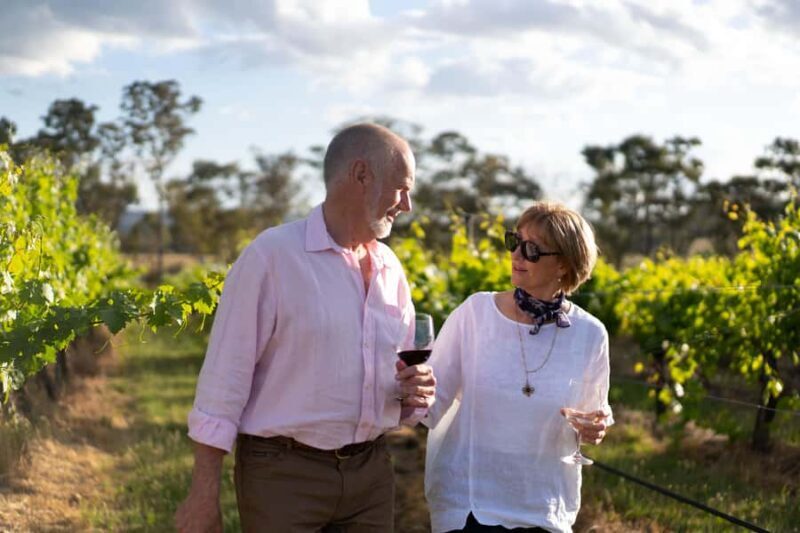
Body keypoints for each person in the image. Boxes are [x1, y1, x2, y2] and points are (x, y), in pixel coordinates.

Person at [174, 123, 436, 533]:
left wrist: (411, 390)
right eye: (402, 188)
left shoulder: (391, 268)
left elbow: (395, 377)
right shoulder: (272, 256)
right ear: (361, 174)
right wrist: (203, 493)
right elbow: (222, 383)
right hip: (283, 476)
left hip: (370, 475)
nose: (406, 204)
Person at [423, 201, 612, 533]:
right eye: (515, 242)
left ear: (565, 265)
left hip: (543, 509)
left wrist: (594, 428)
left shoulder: (590, 334)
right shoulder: (475, 314)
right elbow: (430, 401)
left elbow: (590, 418)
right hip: (470, 506)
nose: (517, 255)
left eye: (532, 250)